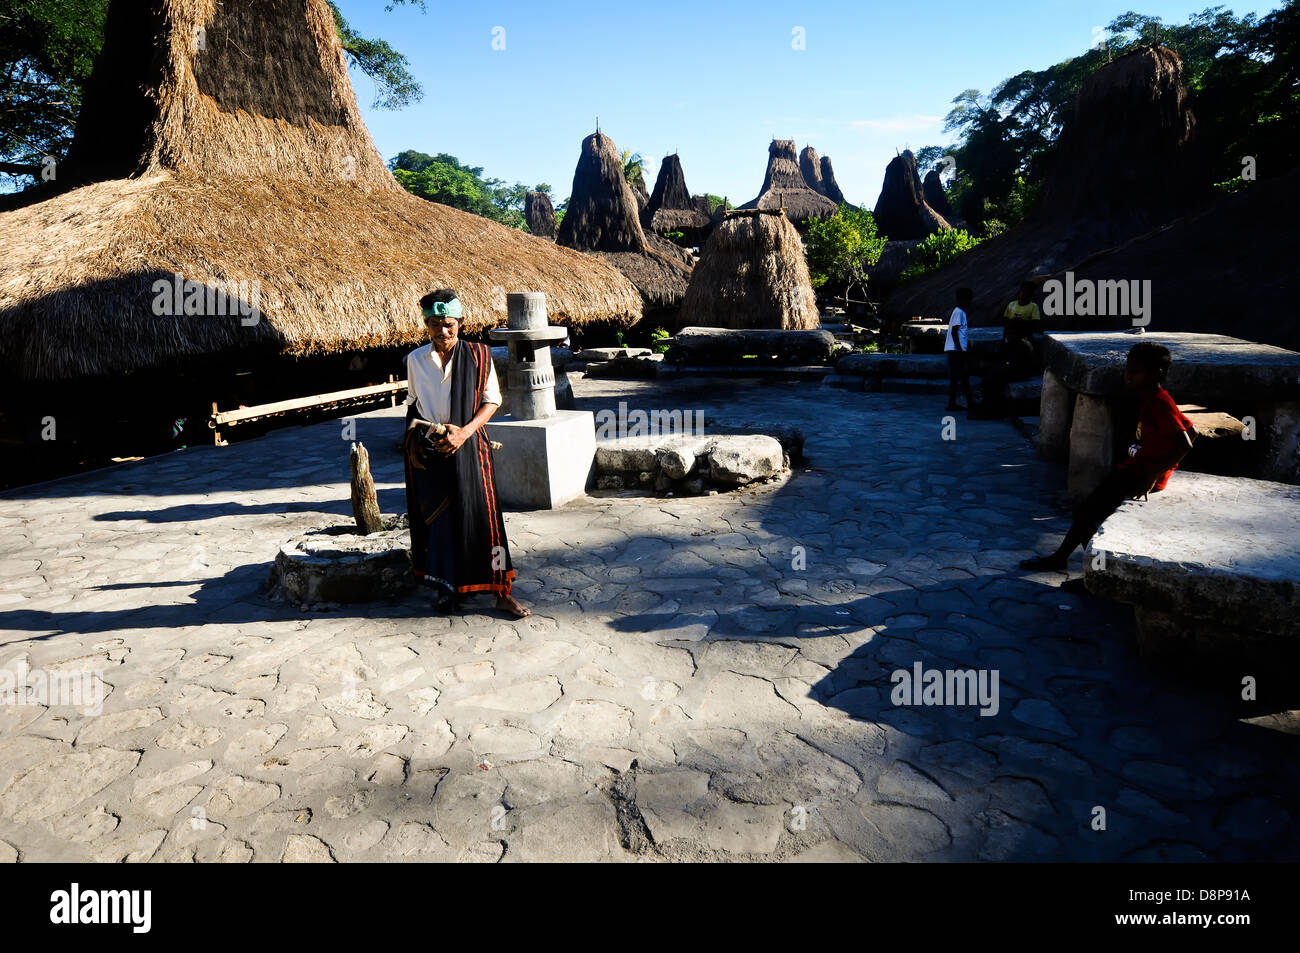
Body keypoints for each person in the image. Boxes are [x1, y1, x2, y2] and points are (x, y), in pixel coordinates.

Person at [403, 289, 530, 618]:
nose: (442, 331)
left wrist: (463, 433)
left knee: (485, 520)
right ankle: (447, 589)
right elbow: (413, 405)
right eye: (435, 324)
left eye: (449, 324)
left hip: (470, 445)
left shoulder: (479, 356)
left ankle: (501, 591)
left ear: (460, 322)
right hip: (432, 448)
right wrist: (412, 443)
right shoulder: (416, 360)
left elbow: (492, 401)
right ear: (426, 325)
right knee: (440, 522)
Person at [1020, 342, 1196, 573]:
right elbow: (1192, 429)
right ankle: (1065, 559)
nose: (1128, 376)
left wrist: (1153, 476)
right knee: (1085, 513)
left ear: (1156, 373)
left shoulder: (1159, 402)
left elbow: (1184, 442)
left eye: (1136, 371)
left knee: (1087, 515)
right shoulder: (1152, 399)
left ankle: (1094, 571)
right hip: (1133, 469)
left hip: (1138, 475)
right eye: (1128, 369)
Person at [972, 281, 1042, 419]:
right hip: (1014, 367)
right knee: (990, 377)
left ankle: (991, 410)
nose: (1024, 295)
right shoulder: (1011, 309)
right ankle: (988, 407)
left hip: (1020, 372)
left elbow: (1016, 364)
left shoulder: (1023, 345)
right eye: (1023, 292)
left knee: (992, 380)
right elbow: (1003, 355)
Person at [945, 287, 975, 412]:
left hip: (955, 350)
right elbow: (954, 332)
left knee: (957, 378)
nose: (970, 302)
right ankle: (970, 404)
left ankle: (952, 403)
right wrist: (960, 350)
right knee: (963, 377)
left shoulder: (958, 312)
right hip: (956, 351)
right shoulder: (959, 312)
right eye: (969, 299)